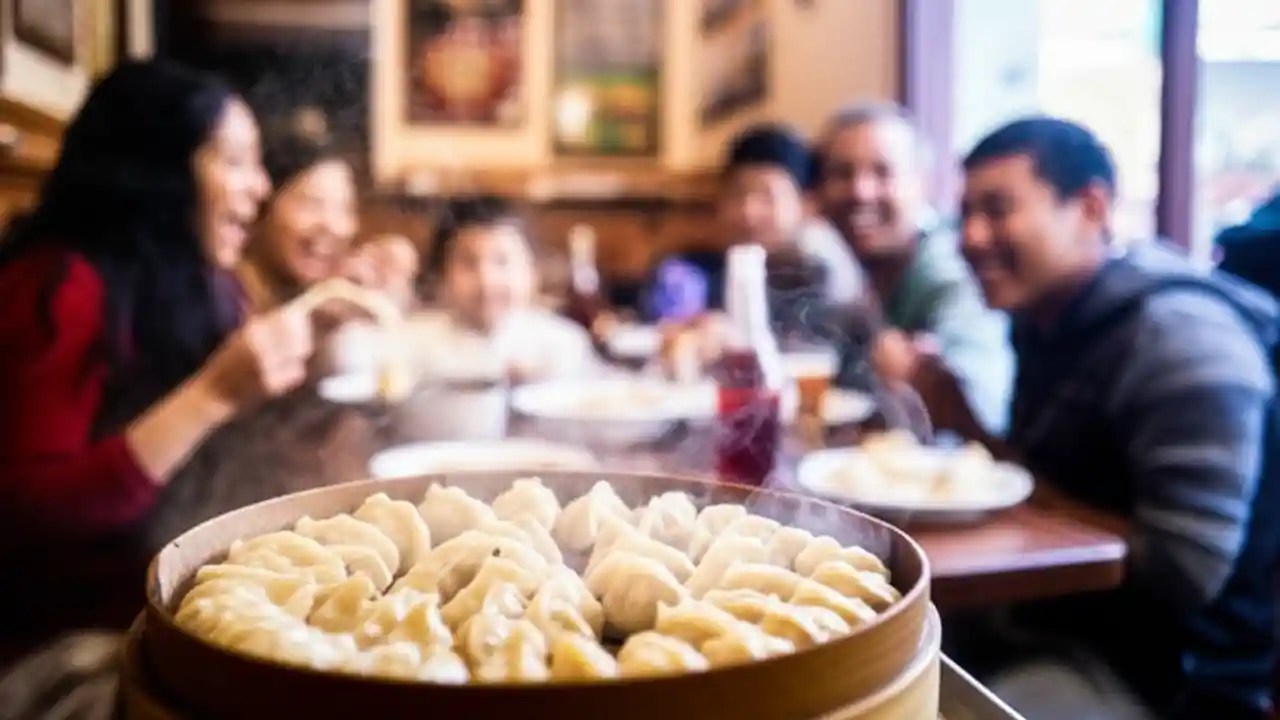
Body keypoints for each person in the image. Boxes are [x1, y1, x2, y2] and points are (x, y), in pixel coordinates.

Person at [958, 116, 1279, 719]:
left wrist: (1012, 489)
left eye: (998, 210)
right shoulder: (1048, 321)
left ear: (1091, 207)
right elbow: (1042, 481)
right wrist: (965, 424)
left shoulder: (1179, 337)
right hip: (1045, 626)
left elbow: (1186, 571)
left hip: (1168, 680)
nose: (972, 237)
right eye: (965, 214)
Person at [0, 61, 321, 661]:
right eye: (234, 161)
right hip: (77, 644)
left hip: (190, 616)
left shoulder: (202, 285)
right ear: (160, 173)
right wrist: (212, 395)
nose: (260, 187)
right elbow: (29, 519)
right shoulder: (57, 288)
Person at [817, 102, 1014, 441]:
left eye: (882, 172)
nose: (860, 191)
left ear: (921, 184)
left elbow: (988, 413)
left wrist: (929, 380)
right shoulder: (865, 274)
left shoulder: (951, 271)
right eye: (842, 174)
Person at [645, 124, 862, 330]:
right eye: (737, 193)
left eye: (767, 196)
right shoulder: (692, 273)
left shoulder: (820, 273)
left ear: (808, 204)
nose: (747, 212)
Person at [406, 196, 596, 382]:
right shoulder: (412, 344)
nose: (487, 279)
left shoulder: (562, 343)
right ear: (441, 276)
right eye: (468, 263)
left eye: (502, 261)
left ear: (532, 272)